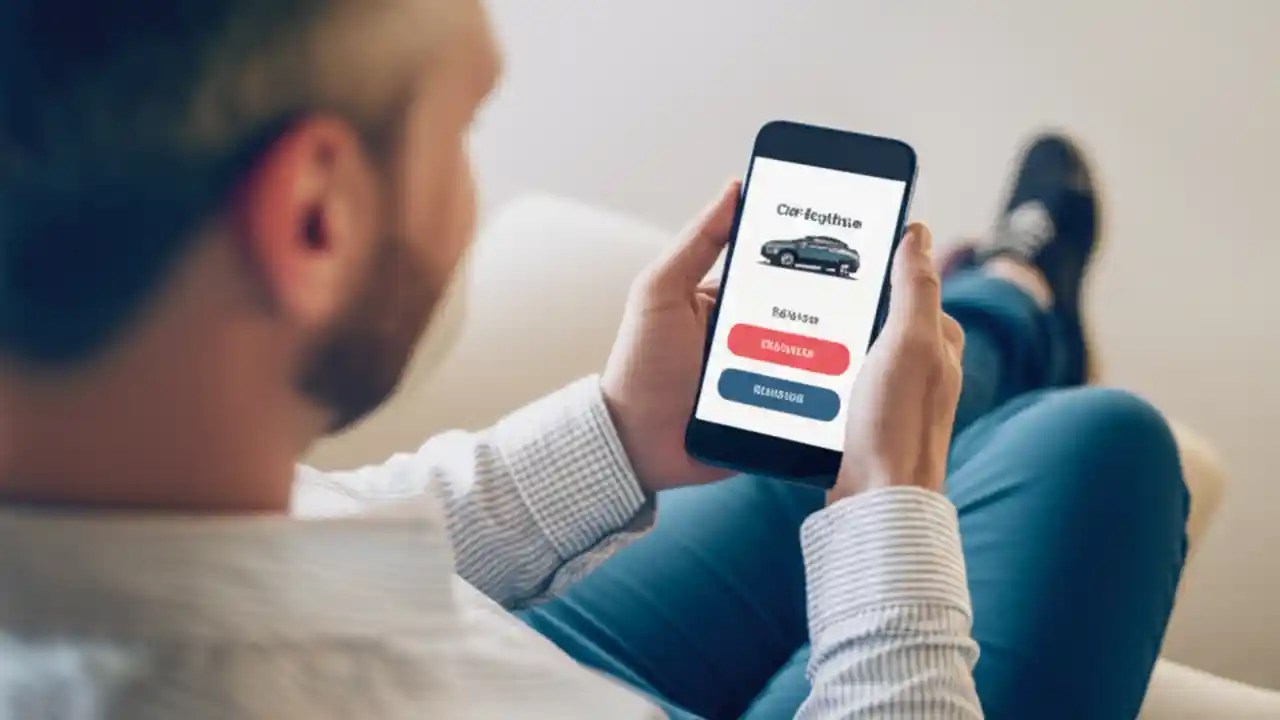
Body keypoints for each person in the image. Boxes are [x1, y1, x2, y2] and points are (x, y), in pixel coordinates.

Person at [0, 2, 1186, 719]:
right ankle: (1019, 290)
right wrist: (887, 518)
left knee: (801, 418)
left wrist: (613, 434)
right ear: (315, 214)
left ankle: (1013, 293)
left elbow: (291, 551)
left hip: (500, 656)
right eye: (463, 127)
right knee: (1098, 444)